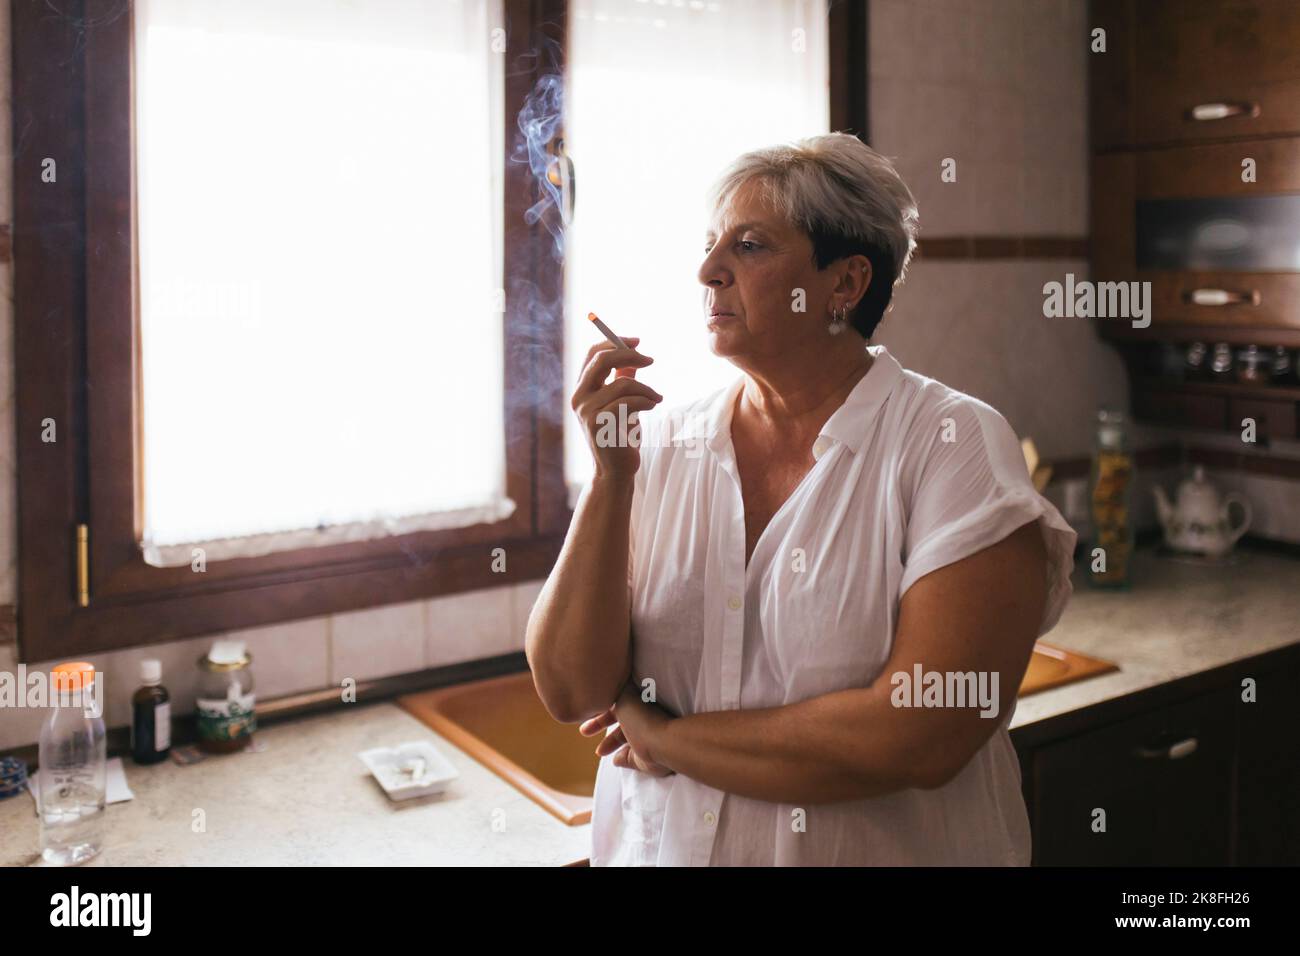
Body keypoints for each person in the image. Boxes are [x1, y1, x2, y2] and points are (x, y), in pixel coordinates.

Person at [526, 133, 1077, 866]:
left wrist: (664, 738)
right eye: (710, 244)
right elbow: (570, 689)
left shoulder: (953, 444)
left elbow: (924, 732)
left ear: (844, 285)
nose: (707, 270)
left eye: (749, 247)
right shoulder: (658, 444)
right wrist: (610, 481)